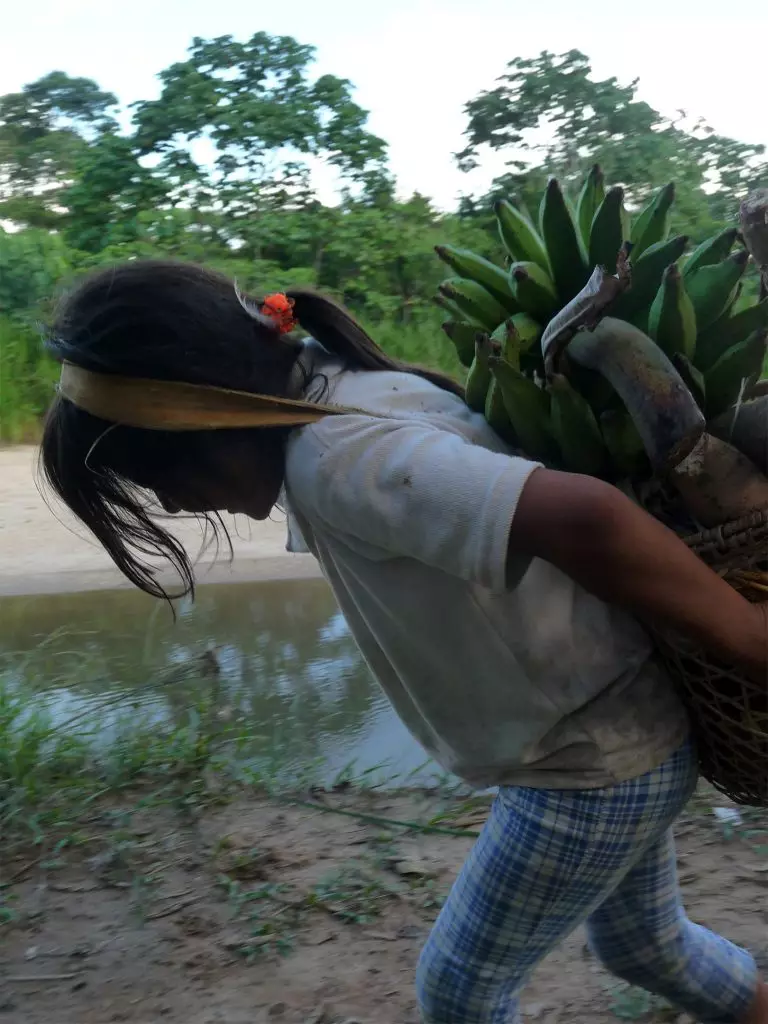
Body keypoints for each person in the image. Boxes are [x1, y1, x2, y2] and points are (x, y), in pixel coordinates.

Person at [41, 259, 768, 1024]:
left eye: (154, 477)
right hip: (622, 739)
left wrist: (747, 635)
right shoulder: (334, 395)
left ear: (200, 422)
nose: (169, 501)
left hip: (588, 766)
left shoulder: (339, 456)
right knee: (647, 949)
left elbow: (581, 515)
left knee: (461, 990)